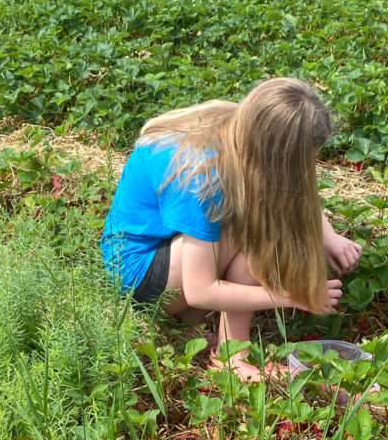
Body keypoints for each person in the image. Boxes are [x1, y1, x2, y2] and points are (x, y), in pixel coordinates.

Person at [101, 77, 362, 381]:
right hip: (137, 276)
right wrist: (290, 296)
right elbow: (200, 291)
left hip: (169, 256)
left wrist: (328, 236)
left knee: (259, 210)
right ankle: (232, 359)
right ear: (273, 152)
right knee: (257, 232)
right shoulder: (202, 176)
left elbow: (290, 182)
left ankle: (191, 328)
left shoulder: (241, 126)